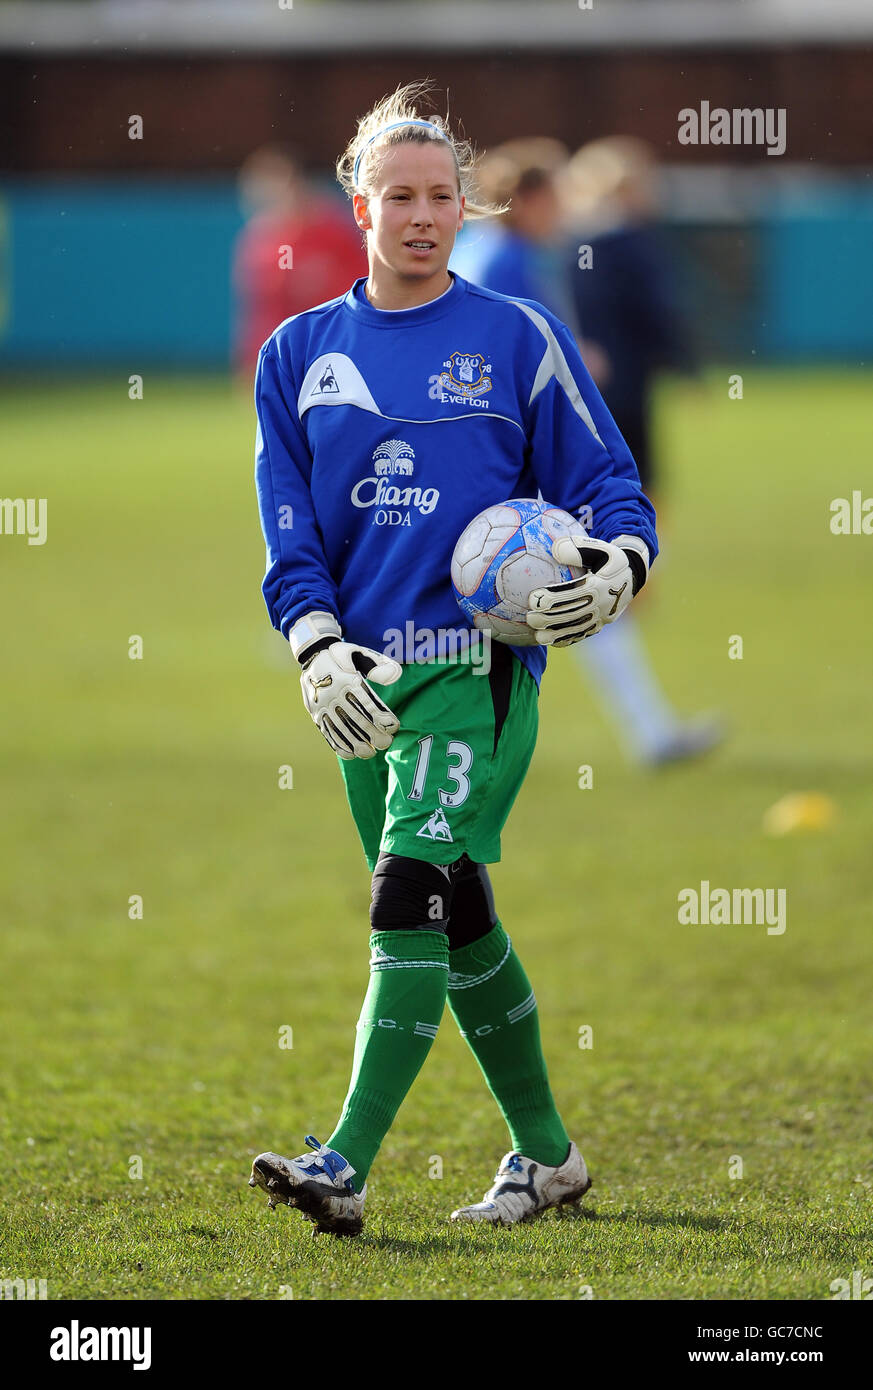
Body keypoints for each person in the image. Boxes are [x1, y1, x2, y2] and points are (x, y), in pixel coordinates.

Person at [248, 82, 657, 1236]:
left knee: (403, 902)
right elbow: (288, 532)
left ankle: (343, 1164)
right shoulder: (298, 354)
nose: (423, 215)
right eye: (400, 196)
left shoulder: (516, 335)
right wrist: (316, 647)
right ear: (361, 206)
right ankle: (550, 1157)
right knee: (456, 912)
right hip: (362, 687)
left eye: (441, 195)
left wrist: (620, 562)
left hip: (474, 678)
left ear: (464, 204)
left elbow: (605, 478)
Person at [564, 136, 724, 764]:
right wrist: (687, 365)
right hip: (621, 408)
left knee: (579, 565)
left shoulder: (565, 246)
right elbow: (660, 312)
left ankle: (651, 730)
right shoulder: (628, 243)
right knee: (609, 552)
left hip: (569, 416)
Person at [233, 143, 367, 379]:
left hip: (337, 345)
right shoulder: (261, 239)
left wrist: (322, 281)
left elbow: (364, 281)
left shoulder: (331, 226)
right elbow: (263, 307)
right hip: (284, 354)